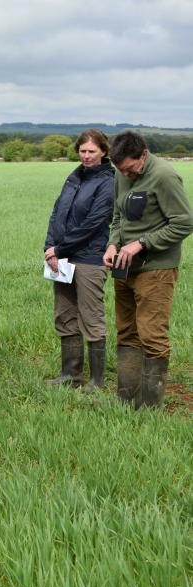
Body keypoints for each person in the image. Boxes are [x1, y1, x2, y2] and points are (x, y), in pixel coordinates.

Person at [103, 130, 193, 408]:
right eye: (121, 170)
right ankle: (126, 397)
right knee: (126, 331)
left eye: (130, 168)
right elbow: (118, 216)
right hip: (124, 267)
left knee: (151, 335)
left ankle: (149, 406)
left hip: (156, 269)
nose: (125, 175)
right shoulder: (121, 173)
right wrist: (113, 244)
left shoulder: (165, 176)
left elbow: (184, 222)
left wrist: (141, 244)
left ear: (143, 155)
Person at [43, 128, 115, 391]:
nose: (86, 156)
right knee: (65, 314)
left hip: (89, 259)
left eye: (91, 151)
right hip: (61, 258)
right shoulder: (74, 177)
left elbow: (94, 223)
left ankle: (96, 381)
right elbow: (57, 212)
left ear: (103, 152)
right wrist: (50, 246)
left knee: (91, 317)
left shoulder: (108, 181)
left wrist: (59, 249)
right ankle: (70, 376)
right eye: (82, 151)